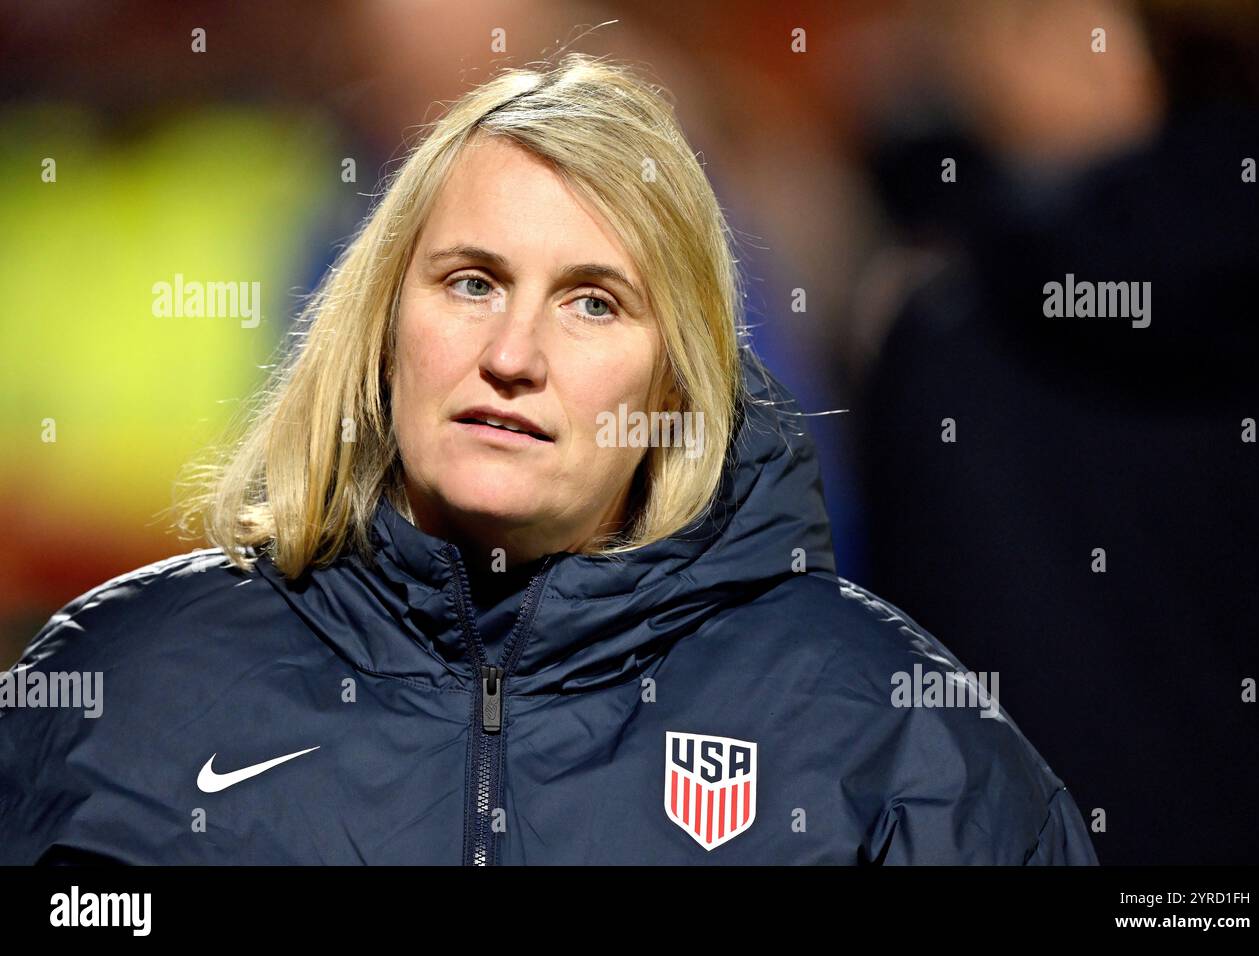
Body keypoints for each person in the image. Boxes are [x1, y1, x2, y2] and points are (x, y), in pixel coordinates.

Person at [0, 54, 1096, 865]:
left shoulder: (884, 734)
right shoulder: (115, 696)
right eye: (471, 282)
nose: (512, 355)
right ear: (381, 324)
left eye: (592, 303)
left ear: (677, 385)